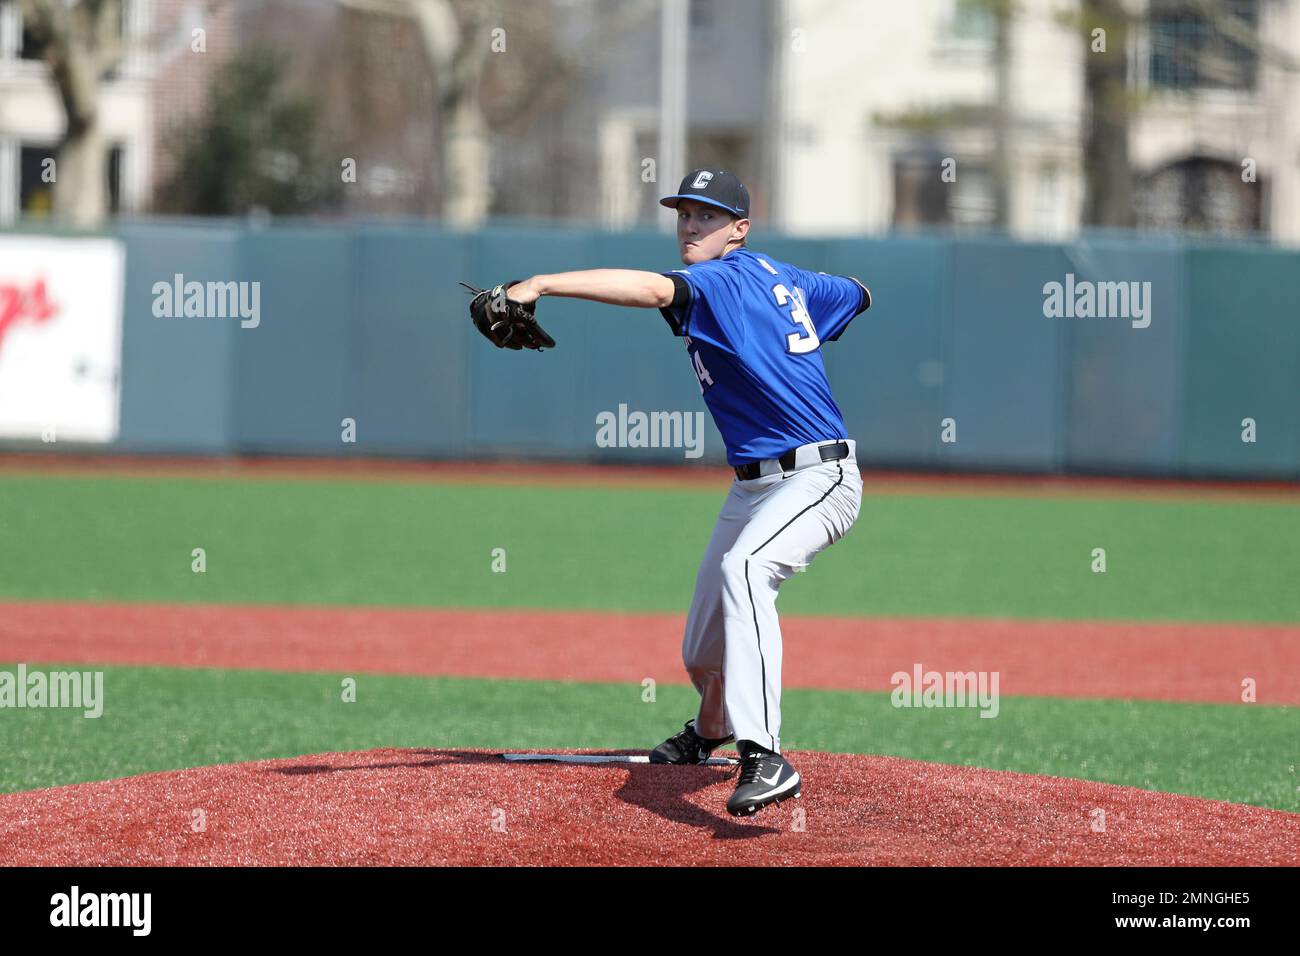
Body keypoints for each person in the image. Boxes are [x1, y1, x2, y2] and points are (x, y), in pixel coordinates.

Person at [503, 168, 870, 816]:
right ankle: (710, 730)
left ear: (740, 228)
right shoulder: (780, 279)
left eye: (706, 215)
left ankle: (765, 754)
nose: (691, 226)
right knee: (703, 646)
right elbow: (858, 293)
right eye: (684, 215)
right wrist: (797, 297)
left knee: (747, 569)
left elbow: (650, 288)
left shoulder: (719, 279)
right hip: (756, 487)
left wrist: (540, 284)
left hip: (820, 477)